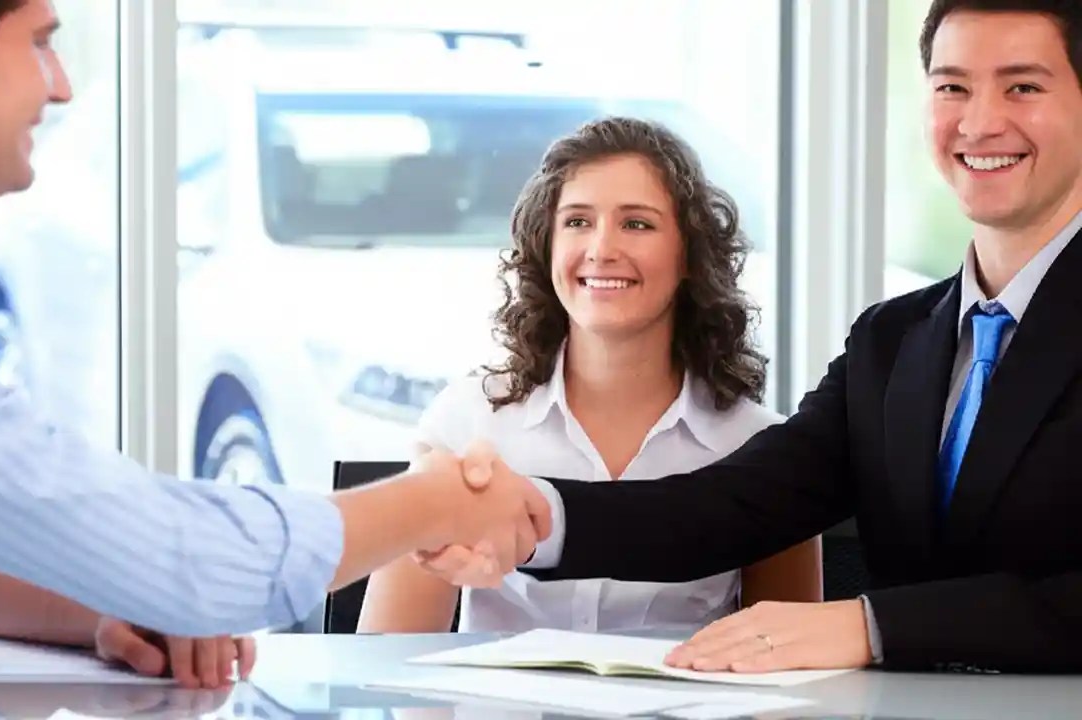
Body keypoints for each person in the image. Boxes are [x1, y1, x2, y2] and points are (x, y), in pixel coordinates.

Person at [0, 0, 550, 709]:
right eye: (37, 43)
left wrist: (103, 606)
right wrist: (437, 500)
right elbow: (186, 557)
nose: (61, 86)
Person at [421, 0, 1082, 673]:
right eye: (952, 88)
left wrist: (874, 626)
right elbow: (730, 505)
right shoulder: (892, 343)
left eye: (1022, 86)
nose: (978, 121)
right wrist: (538, 517)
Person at [357, 117, 822, 635]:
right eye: (578, 222)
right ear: (546, 245)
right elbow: (388, 660)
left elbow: (791, 669)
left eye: (637, 224)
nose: (602, 249)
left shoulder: (762, 448)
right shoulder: (468, 419)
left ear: (690, 255)